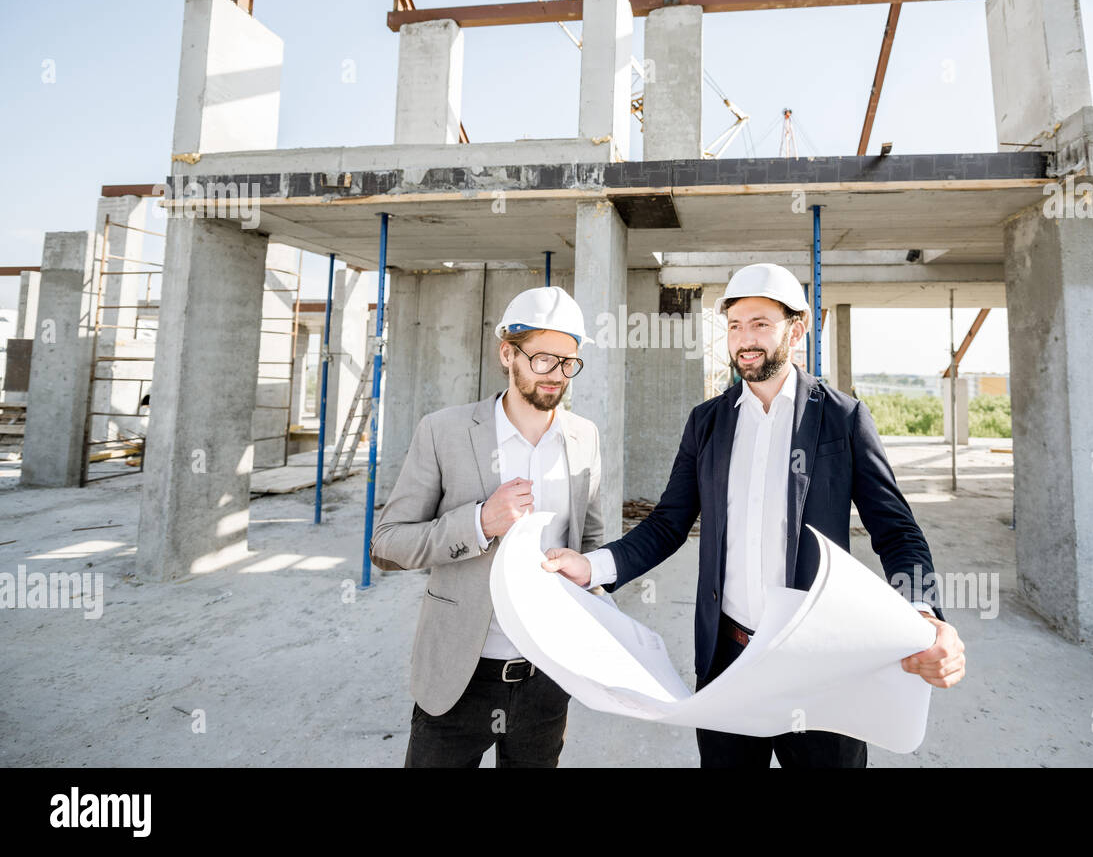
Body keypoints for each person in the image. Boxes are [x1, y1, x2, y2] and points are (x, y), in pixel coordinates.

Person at [544, 263, 966, 767]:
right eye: (736, 325)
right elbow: (667, 524)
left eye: (761, 323)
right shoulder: (707, 423)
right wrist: (592, 567)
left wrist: (922, 613)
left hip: (821, 669)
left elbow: (896, 531)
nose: (745, 339)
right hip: (728, 662)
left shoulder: (842, 419)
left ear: (797, 327)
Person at [372, 285, 606, 767]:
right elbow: (387, 543)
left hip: (548, 676)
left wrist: (594, 589)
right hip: (459, 677)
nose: (556, 375)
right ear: (507, 353)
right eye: (543, 359)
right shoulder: (444, 431)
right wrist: (478, 522)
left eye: (568, 362)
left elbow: (592, 542)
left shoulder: (584, 437)